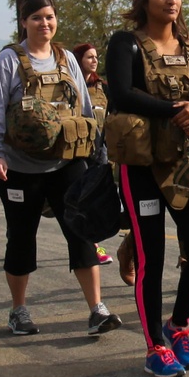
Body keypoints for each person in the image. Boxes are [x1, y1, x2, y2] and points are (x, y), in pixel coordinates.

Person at [105, 0, 189, 377]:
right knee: (151, 257)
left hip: (187, 165)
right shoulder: (126, 44)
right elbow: (121, 94)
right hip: (141, 166)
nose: (171, 0)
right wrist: (179, 110)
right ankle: (155, 344)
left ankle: (179, 324)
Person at [0, 0, 121, 337]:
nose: (45, 23)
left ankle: (97, 310)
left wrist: (95, 154)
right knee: (22, 239)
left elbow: (85, 109)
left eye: (50, 17)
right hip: (19, 168)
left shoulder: (67, 60)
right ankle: (18, 311)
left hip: (67, 162)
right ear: (24, 23)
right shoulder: (8, 62)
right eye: (37, 18)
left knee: (82, 232)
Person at [72, 42, 114, 266]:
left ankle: (92, 242)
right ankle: (95, 247)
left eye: (96, 57)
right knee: (84, 199)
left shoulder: (103, 88)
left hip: (101, 151)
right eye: (89, 57)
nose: (94, 61)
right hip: (78, 150)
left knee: (98, 198)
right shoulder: (71, 87)